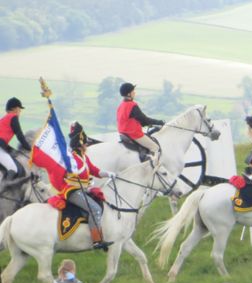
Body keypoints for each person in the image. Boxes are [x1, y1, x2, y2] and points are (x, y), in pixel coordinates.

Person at [38, 122, 114, 250]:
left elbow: (94, 170)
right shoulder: (71, 159)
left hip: (84, 189)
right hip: (72, 191)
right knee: (95, 209)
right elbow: (62, 174)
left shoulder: (84, 157)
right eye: (85, 143)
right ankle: (97, 241)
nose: (86, 145)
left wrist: (108, 173)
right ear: (80, 144)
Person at [116, 82, 164, 158]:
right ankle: (155, 166)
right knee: (155, 148)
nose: (134, 93)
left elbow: (137, 120)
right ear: (129, 94)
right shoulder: (132, 105)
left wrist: (148, 124)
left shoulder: (121, 105)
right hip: (133, 134)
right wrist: (159, 122)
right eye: (133, 91)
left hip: (123, 133)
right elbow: (144, 119)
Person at [0, 98, 30, 181]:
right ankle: (4, 189)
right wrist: (30, 149)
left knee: (5, 170)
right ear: (15, 109)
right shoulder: (13, 117)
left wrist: (12, 150)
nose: (20, 111)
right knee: (13, 168)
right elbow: (20, 136)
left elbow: (2, 141)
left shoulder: (3, 119)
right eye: (19, 109)